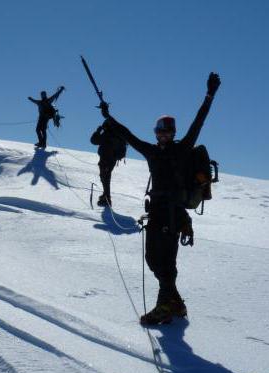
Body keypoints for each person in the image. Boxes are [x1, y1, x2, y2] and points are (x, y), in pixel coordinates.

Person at [100, 72, 221, 325]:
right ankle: (173, 303)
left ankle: (164, 307)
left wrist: (209, 95)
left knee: (163, 260)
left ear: (172, 133)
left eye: (165, 132)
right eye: (159, 131)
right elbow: (129, 135)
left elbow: (198, 123)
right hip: (157, 212)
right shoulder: (152, 152)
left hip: (172, 213)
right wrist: (109, 118)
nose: (161, 135)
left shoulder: (181, 149)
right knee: (155, 260)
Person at [90, 122, 127, 206]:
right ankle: (105, 195)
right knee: (105, 176)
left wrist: (98, 131)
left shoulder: (107, 134)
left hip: (105, 159)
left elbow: (93, 140)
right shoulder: (116, 136)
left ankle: (107, 198)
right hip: (112, 159)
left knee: (105, 177)